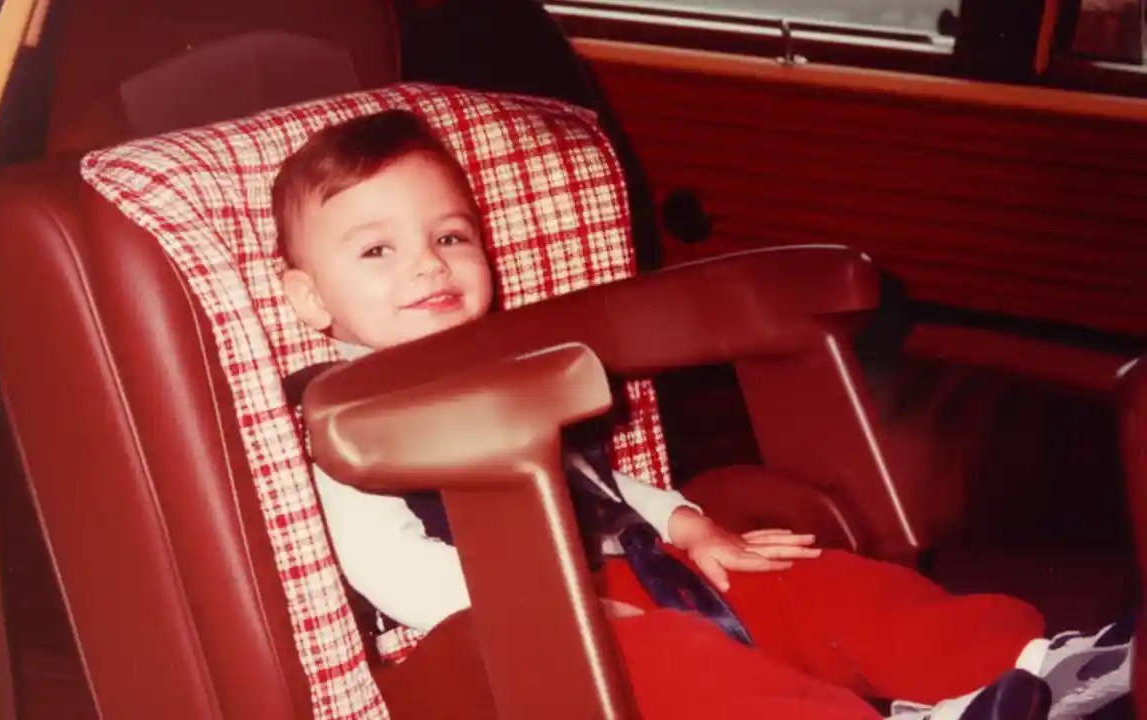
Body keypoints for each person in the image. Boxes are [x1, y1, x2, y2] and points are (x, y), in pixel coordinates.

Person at [272, 108, 1131, 720]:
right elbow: (387, 566)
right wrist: (551, 608)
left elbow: (595, 482)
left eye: (450, 237)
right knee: (673, 671)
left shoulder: (500, 361)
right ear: (308, 298)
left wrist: (686, 526)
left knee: (788, 576)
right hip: (485, 639)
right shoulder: (350, 407)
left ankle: (1029, 664)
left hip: (606, 577)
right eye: (378, 250)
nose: (426, 265)